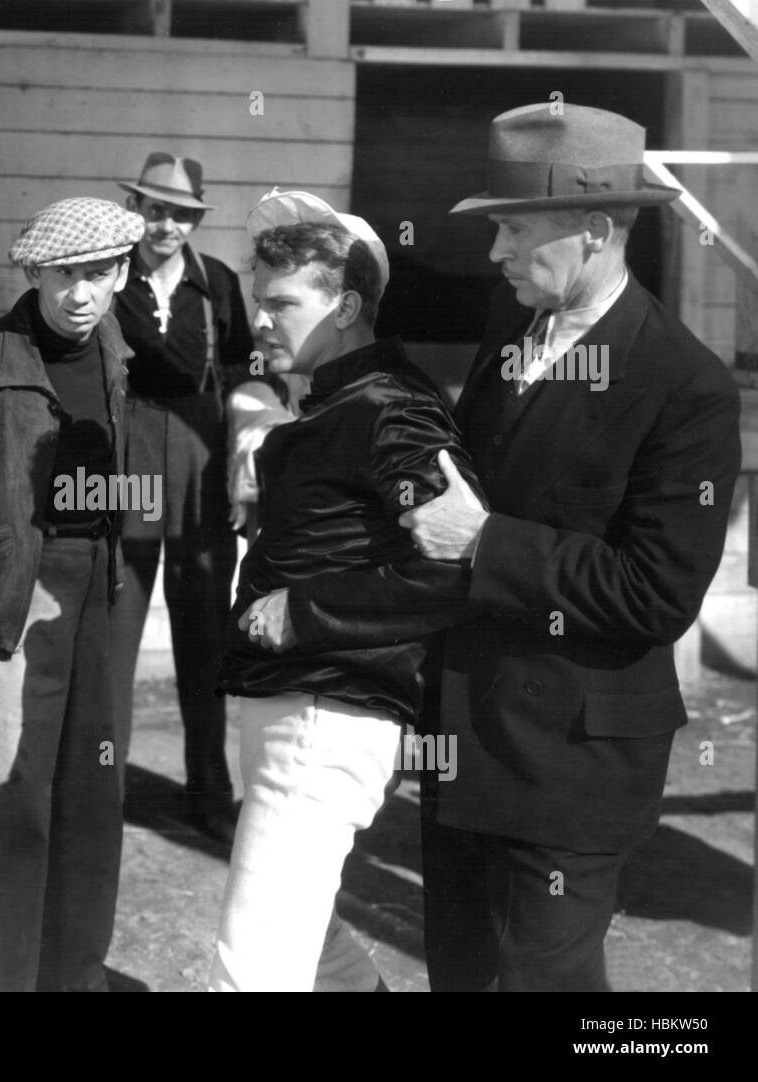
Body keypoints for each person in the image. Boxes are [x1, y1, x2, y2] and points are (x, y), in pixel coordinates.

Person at [405, 103, 741, 992]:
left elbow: (655, 593)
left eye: (513, 227)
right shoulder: (512, 328)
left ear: (595, 231)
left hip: (572, 767)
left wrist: (484, 542)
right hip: (464, 739)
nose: (495, 251)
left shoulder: (687, 387)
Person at [211, 200, 480, 992]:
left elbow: (457, 567)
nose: (261, 321)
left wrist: (303, 609)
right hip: (301, 703)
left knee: (253, 968)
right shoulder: (335, 400)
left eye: (283, 303)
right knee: (316, 947)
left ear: (348, 305)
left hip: (330, 712)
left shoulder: (390, 407)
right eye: (260, 301)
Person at [0, 196, 143, 992]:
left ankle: (73, 976)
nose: (79, 295)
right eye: (63, 277)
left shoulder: (116, 345)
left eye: (97, 275)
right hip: (9, 596)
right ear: (34, 275)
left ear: (122, 273)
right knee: (5, 803)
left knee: (91, 792)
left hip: (99, 594)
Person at [110, 152, 255, 843]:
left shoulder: (217, 283)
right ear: (134, 208)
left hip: (199, 461)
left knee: (204, 636)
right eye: (153, 209)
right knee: (117, 631)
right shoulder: (108, 275)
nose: (164, 224)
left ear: (196, 218)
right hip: (130, 455)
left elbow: (239, 374)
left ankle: (209, 793)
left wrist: (241, 463)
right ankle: (99, 786)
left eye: (179, 213)